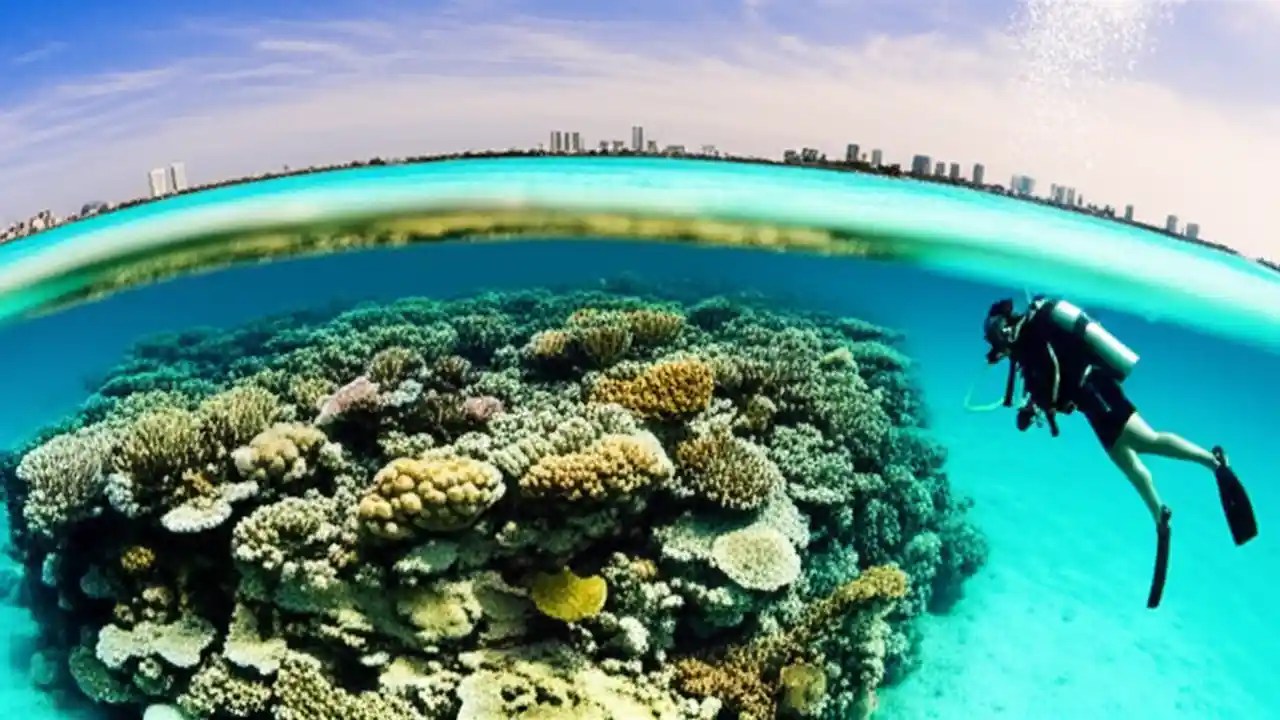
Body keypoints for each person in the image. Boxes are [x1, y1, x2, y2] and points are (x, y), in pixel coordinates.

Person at [982, 295, 1257, 607]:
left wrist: (1034, 400)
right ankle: (1160, 514)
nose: (997, 346)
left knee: (1145, 440)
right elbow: (1047, 383)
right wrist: (1031, 408)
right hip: (1090, 405)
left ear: (1004, 327)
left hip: (1096, 389)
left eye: (994, 334)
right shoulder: (1027, 348)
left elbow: (1053, 372)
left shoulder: (1034, 330)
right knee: (1127, 463)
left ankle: (1212, 462)